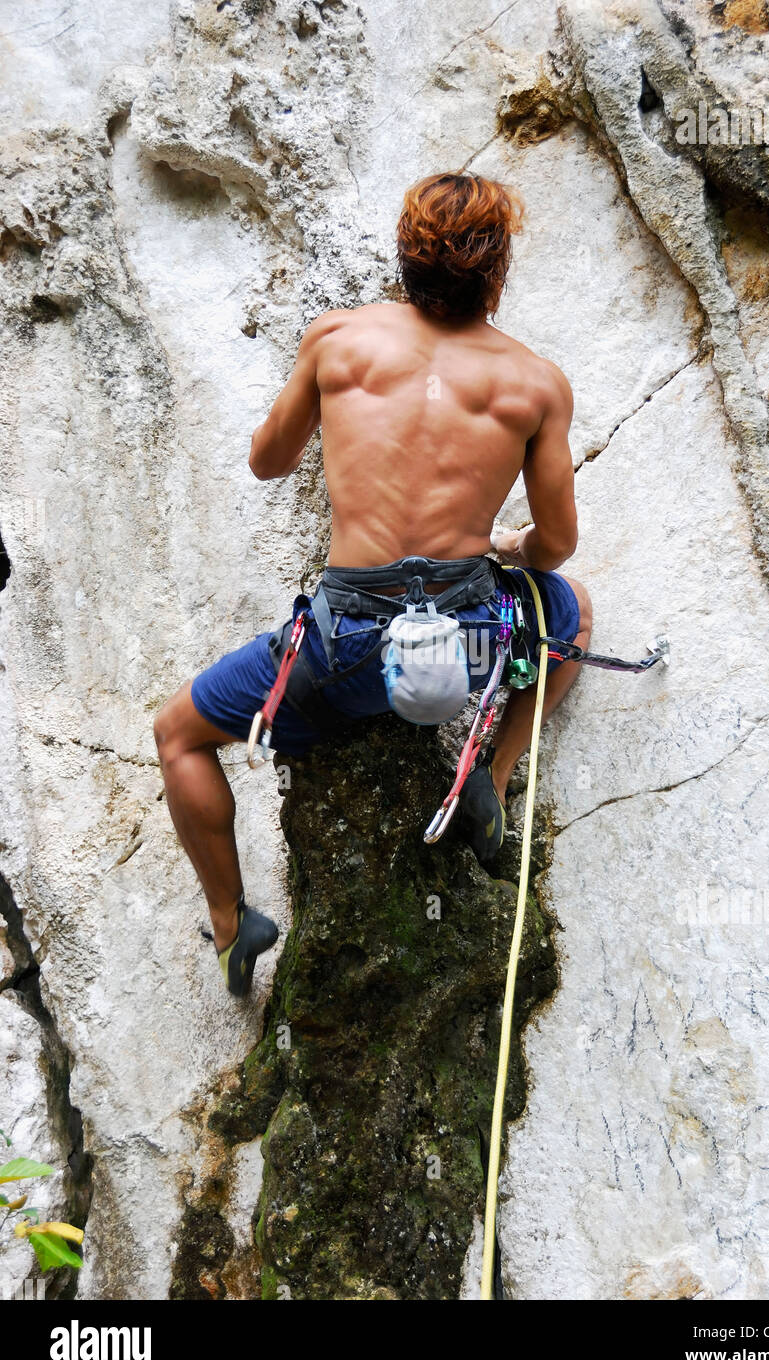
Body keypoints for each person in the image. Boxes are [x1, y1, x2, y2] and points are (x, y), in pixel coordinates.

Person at [153, 171, 593, 996]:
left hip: (341, 653)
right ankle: (488, 781)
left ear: (406, 257)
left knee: (177, 735)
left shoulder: (338, 341)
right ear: (497, 271)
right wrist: (499, 542)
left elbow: (266, 461)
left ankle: (231, 922)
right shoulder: (536, 384)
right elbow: (556, 546)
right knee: (570, 615)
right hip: (467, 646)